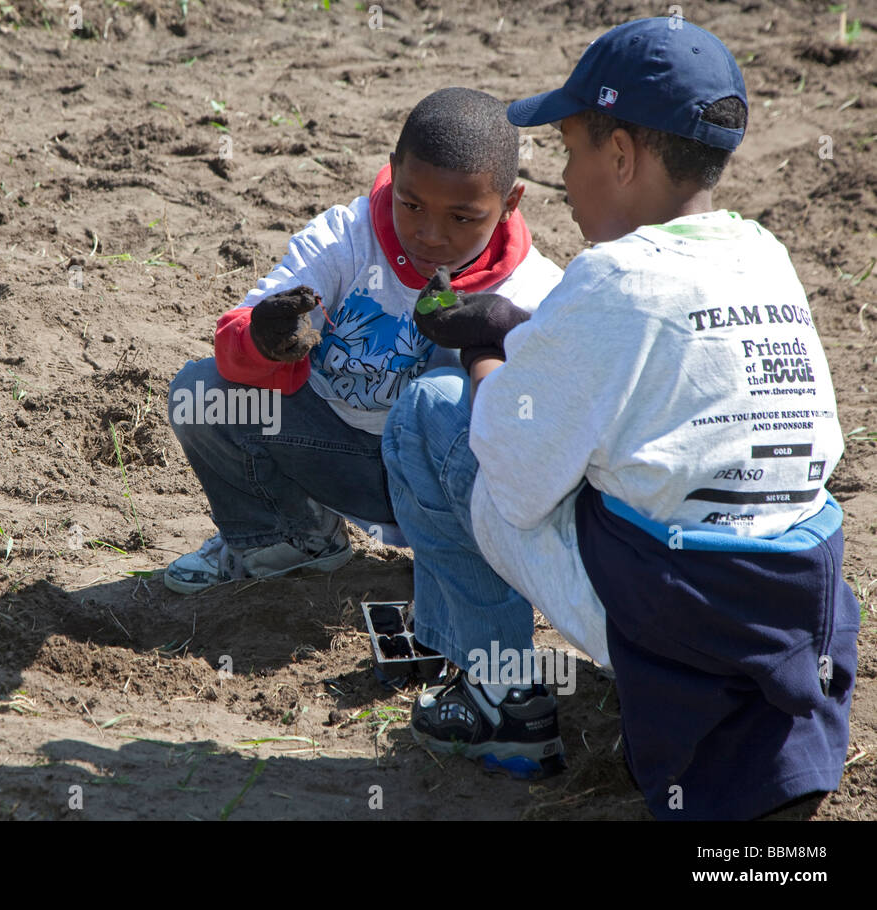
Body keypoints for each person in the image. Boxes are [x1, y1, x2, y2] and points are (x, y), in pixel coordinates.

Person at [386, 18, 860, 819]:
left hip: (688, 614)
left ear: (621, 155)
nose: (568, 179)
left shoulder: (616, 275)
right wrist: (514, 325)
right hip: (793, 611)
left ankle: (503, 700)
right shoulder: (760, 253)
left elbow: (516, 476)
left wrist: (480, 356)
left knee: (434, 416)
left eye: (571, 150)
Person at [162, 87, 563, 594]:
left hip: (441, 481)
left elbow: (549, 429)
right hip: (332, 448)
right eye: (411, 204)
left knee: (452, 401)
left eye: (462, 218)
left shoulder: (533, 289)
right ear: (393, 173)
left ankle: (461, 567)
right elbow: (232, 342)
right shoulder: (345, 238)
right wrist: (262, 338)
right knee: (202, 396)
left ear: (509, 203)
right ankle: (293, 540)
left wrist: (502, 331)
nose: (430, 234)